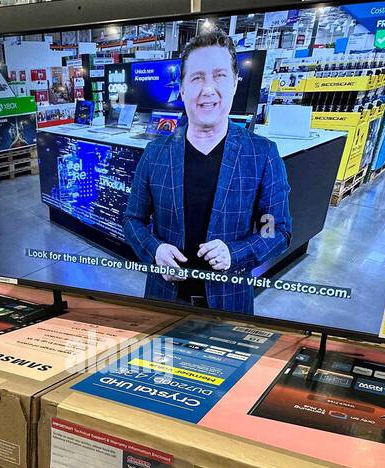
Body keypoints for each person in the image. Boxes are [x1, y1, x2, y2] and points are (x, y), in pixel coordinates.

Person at [122, 28, 291, 315]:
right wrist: (155, 250)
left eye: (220, 76)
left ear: (235, 84)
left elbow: (276, 231)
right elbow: (132, 220)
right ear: (183, 88)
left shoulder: (261, 154)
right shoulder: (155, 154)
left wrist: (235, 253)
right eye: (197, 78)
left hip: (230, 305)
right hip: (163, 302)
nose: (207, 90)